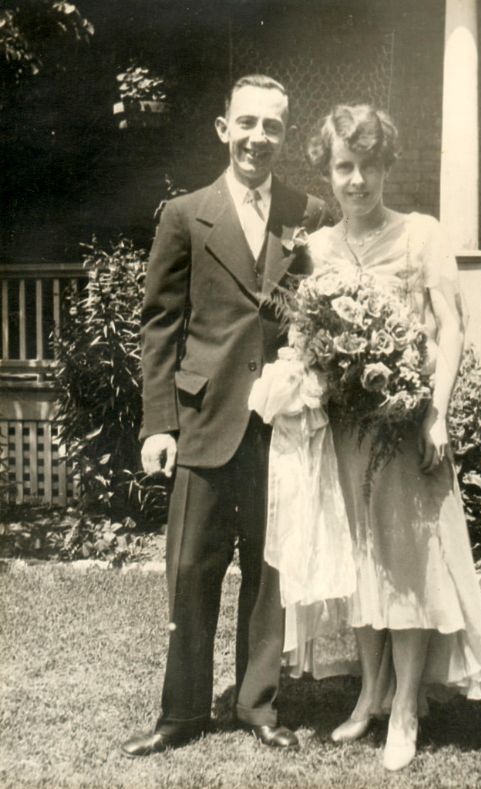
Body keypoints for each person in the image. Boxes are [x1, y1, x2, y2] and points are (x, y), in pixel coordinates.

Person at [281, 104, 481, 771]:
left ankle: (405, 707)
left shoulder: (422, 233)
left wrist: (436, 409)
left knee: (405, 564)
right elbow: (304, 331)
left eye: (368, 166)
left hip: (406, 429)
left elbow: (453, 326)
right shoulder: (317, 247)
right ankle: (368, 695)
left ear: (385, 166)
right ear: (328, 168)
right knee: (358, 560)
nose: (356, 181)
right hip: (346, 429)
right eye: (344, 167)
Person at [121, 74, 328, 758]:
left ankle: (258, 703)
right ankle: (180, 712)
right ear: (222, 127)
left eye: (272, 126)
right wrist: (158, 423)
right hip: (206, 417)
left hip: (279, 422)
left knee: (269, 570)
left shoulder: (308, 211)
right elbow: (160, 324)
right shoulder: (185, 214)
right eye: (246, 123)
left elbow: (326, 311)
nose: (257, 138)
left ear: (284, 134)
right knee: (190, 568)